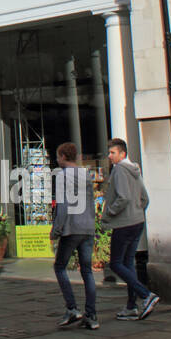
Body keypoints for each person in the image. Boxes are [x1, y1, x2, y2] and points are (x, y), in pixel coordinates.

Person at [105, 138, 158, 320]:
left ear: (122, 154)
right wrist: (137, 211)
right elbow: (145, 198)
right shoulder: (135, 170)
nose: (109, 156)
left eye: (113, 152)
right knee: (128, 264)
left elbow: (123, 197)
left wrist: (111, 213)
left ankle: (145, 295)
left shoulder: (119, 170)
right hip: (137, 221)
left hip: (124, 223)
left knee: (116, 263)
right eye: (109, 152)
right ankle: (130, 306)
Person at [51, 142, 99, 329]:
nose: (57, 160)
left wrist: (56, 230)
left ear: (63, 156)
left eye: (57, 156)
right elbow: (91, 201)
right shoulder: (85, 174)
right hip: (87, 227)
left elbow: (62, 206)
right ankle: (92, 315)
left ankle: (72, 308)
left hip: (71, 229)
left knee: (60, 267)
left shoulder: (63, 176)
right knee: (87, 271)